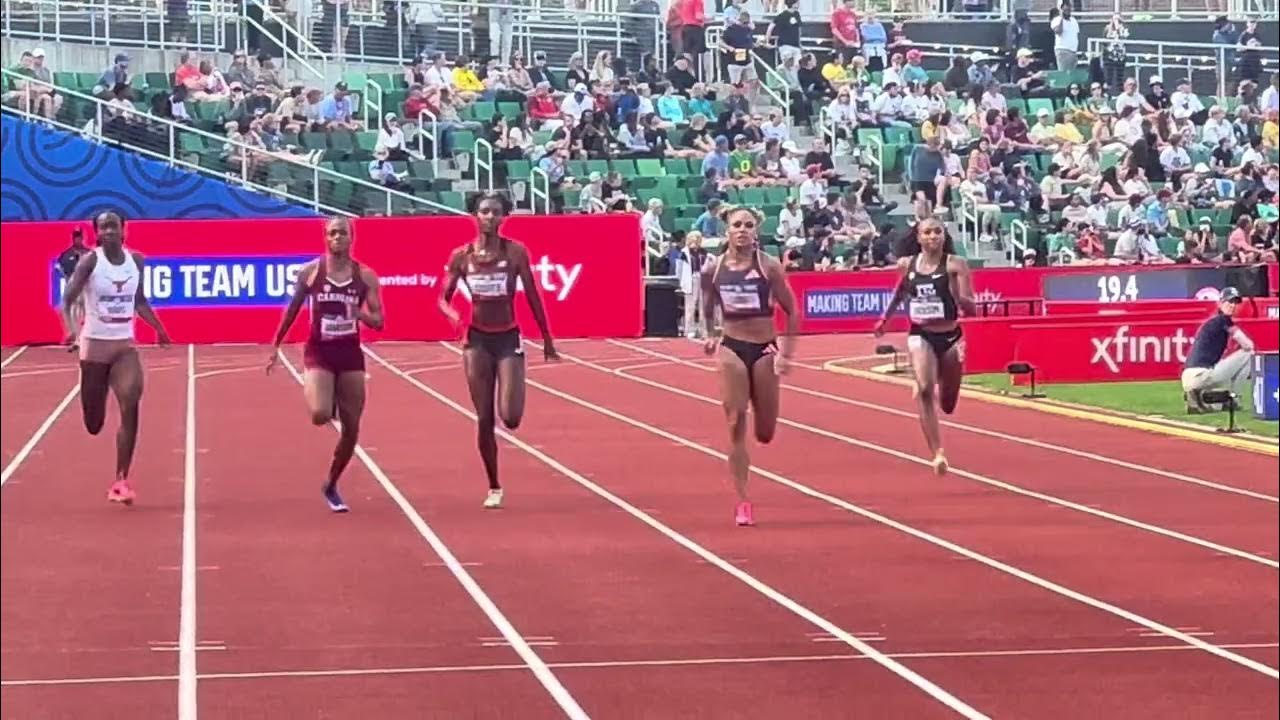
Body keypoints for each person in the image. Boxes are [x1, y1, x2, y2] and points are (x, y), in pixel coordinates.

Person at [439, 193, 559, 509]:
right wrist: (454, 317)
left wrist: (547, 337)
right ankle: (494, 485)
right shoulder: (461, 256)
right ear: (474, 215)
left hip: (507, 337)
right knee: (484, 418)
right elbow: (442, 298)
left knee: (511, 416)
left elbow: (533, 295)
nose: (489, 217)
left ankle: (514, 389)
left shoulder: (516, 253)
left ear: (504, 217)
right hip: (476, 341)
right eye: (484, 212)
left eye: (495, 212)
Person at [267, 217, 384, 513]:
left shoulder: (365, 276)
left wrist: (356, 313)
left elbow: (379, 322)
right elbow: (292, 309)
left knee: (352, 428)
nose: (337, 238)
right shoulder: (311, 272)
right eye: (331, 233)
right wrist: (276, 344)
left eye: (342, 233)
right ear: (325, 238)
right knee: (320, 414)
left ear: (351, 237)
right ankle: (326, 393)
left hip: (350, 353)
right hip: (319, 350)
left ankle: (331, 483)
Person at [59, 211, 172, 505]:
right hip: (94, 346)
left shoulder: (137, 262)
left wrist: (159, 329)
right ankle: (96, 417)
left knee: (131, 401)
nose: (108, 231)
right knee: (93, 423)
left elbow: (139, 300)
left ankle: (121, 480)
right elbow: (67, 298)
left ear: (124, 230)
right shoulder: (91, 262)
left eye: (113, 226)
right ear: (97, 233)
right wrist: (72, 330)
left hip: (124, 345)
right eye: (103, 227)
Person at [701, 205, 799, 527]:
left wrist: (787, 353)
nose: (742, 230)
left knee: (766, 431)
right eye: (736, 225)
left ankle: (763, 424)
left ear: (757, 230)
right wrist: (711, 334)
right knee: (735, 420)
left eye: (748, 225)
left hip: (765, 347)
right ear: (726, 230)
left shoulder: (769, 267)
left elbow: (792, 310)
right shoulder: (713, 270)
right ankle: (742, 500)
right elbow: (707, 307)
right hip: (732, 345)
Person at [873, 217, 976, 476]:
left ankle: (932, 377)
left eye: (937, 231)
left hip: (951, 335)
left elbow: (971, 308)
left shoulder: (956, 264)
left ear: (944, 235)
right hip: (921, 333)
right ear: (918, 237)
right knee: (926, 389)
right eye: (927, 232)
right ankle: (938, 453)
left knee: (949, 404)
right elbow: (899, 292)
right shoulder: (906, 264)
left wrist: (956, 294)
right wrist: (884, 319)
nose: (932, 236)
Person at [1181, 287, 1255, 413]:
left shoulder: (1213, 321)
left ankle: (1200, 398)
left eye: (1235, 302)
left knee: (1215, 401)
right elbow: (1248, 345)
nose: (1233, 305)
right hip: (1201, 375)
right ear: (1220, 303)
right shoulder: (1223, 320)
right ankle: (1234, 398)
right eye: (1229, 302)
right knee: (1249, 354)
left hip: (1190, 377)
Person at [55, 226, 92, 352]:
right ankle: (77, 339)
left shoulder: (89, 253)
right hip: (74, 286)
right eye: (76, 237)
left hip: (87, 286)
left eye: (80, 237)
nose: (78, 240)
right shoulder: (66, 254)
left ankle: (88, 339)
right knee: (74, 313)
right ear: (73, 239)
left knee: (89, 314)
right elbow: (61, 267)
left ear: (82, 238)